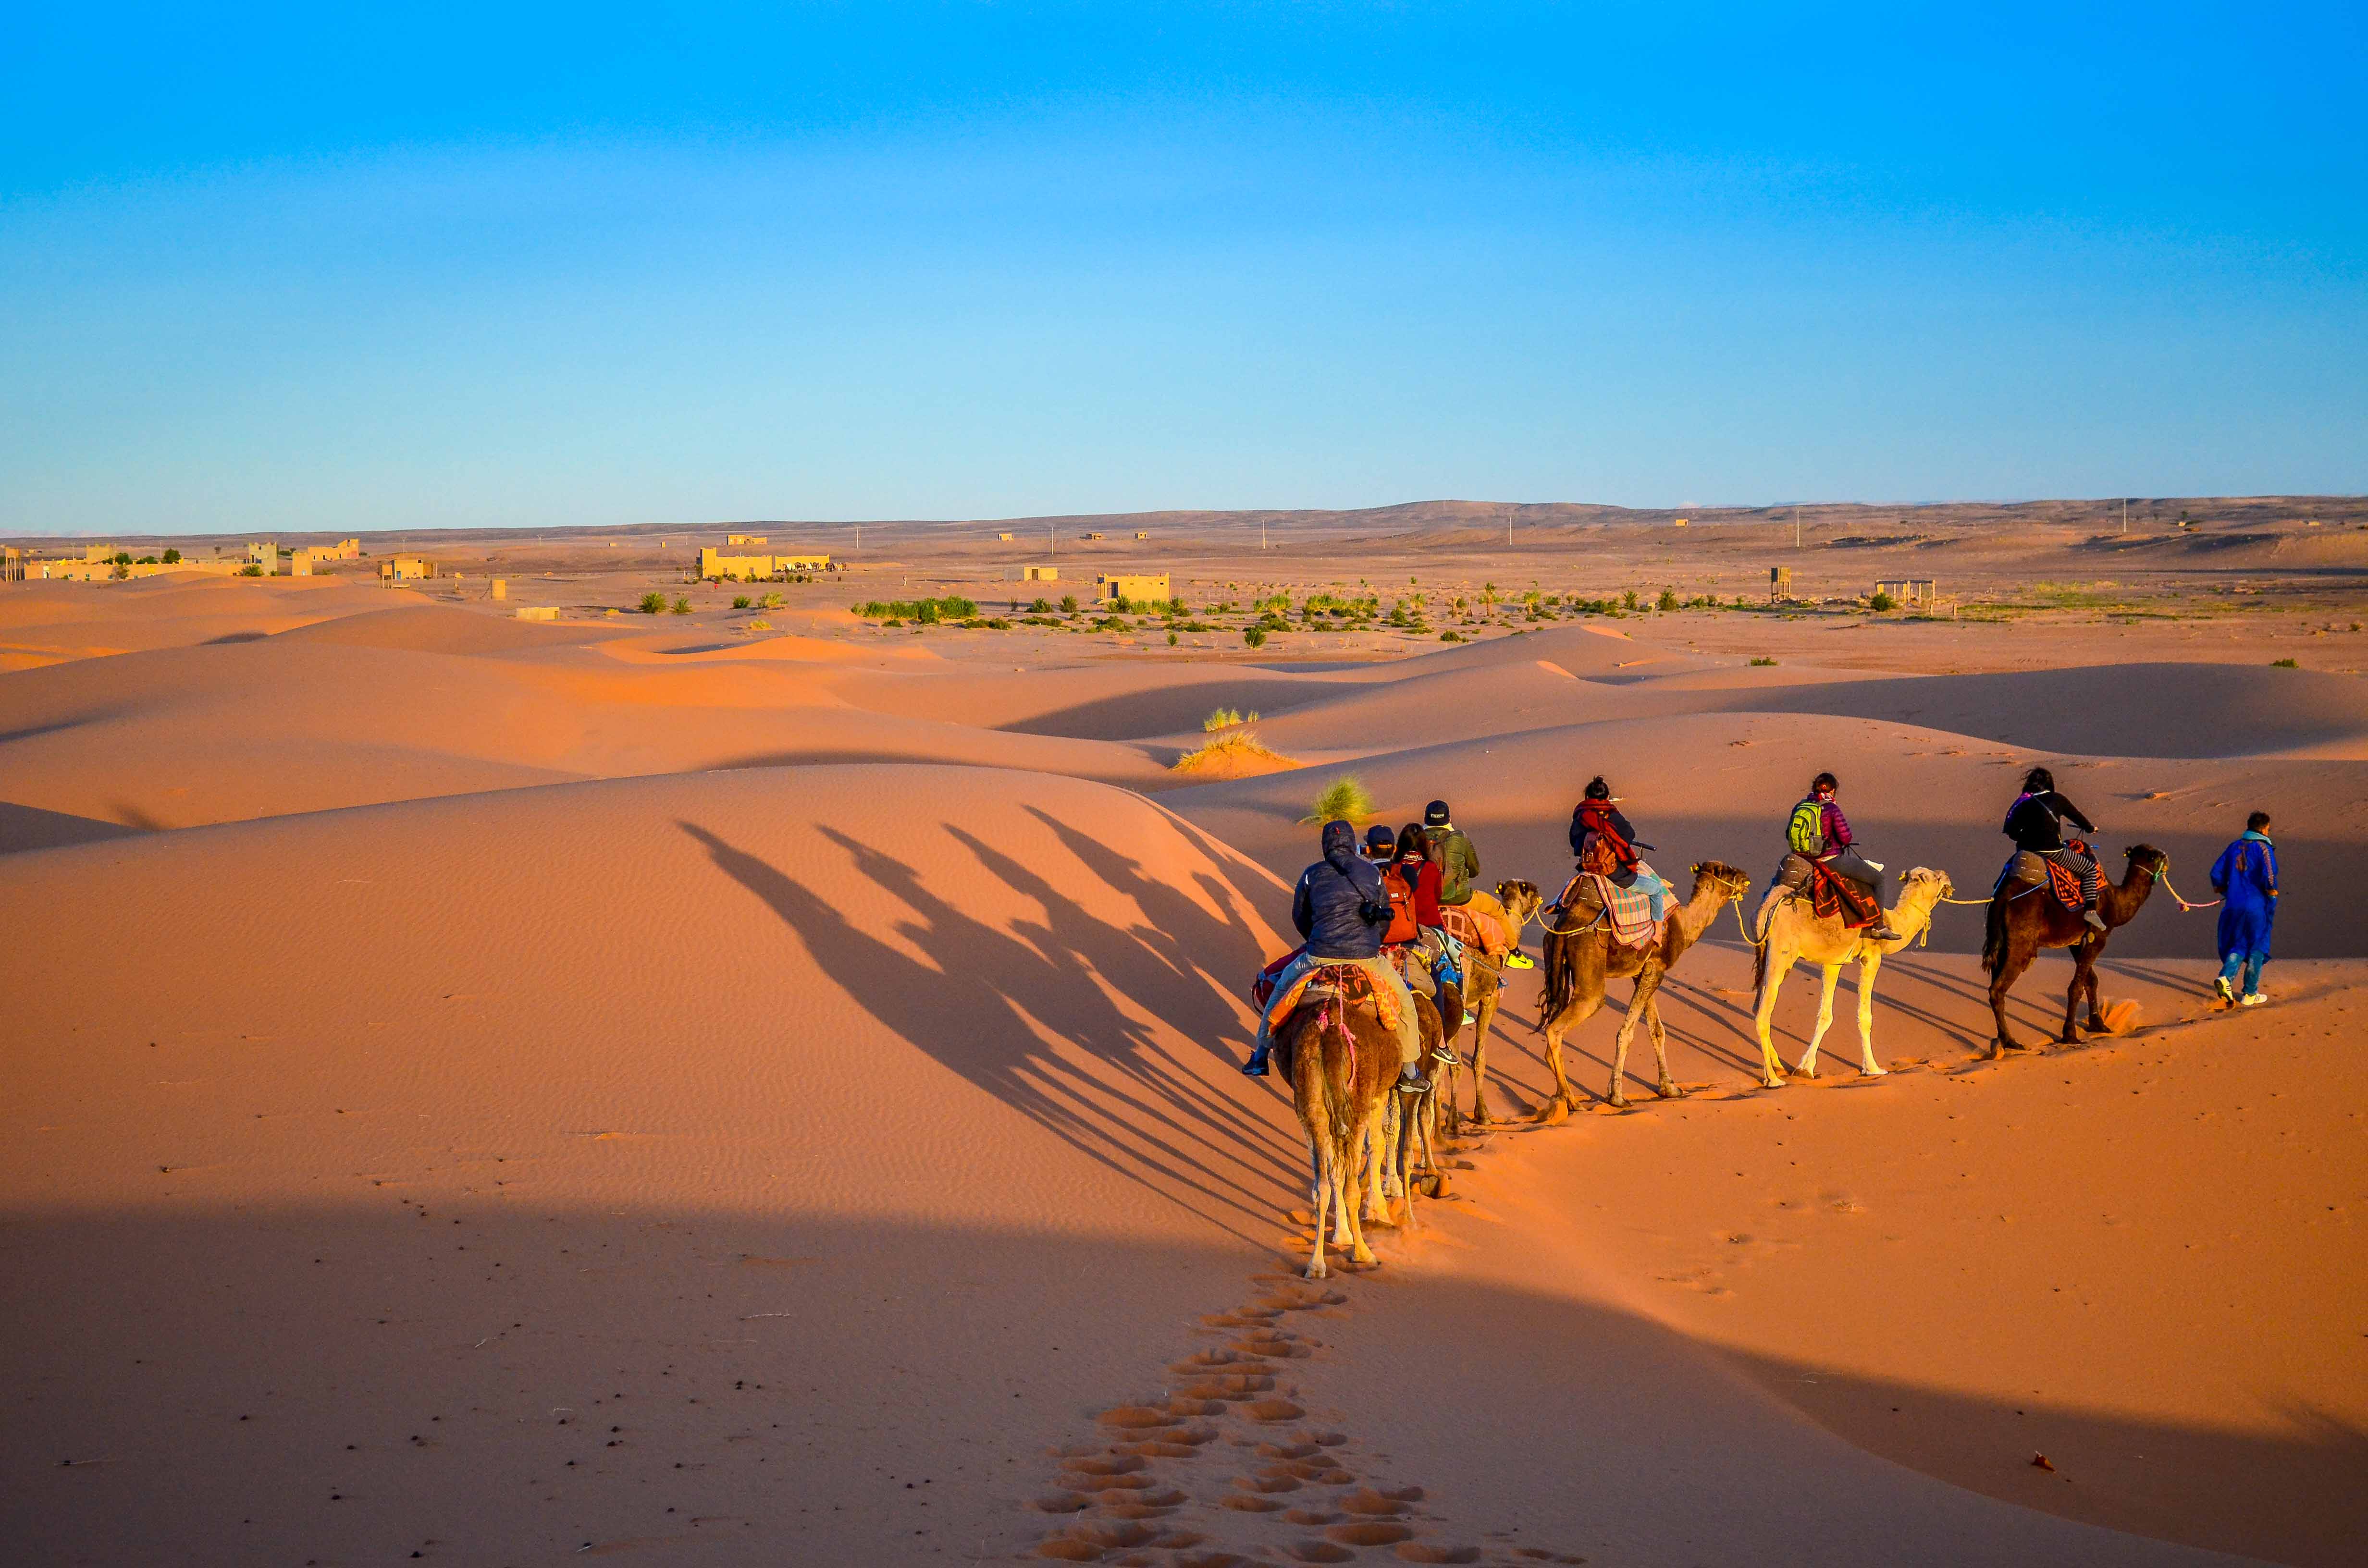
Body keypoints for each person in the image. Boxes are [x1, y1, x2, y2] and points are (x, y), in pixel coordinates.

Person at [1243, 819, 1429, 1093]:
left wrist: (1318, 940)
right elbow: (1383, 918)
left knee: (1280, 992)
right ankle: (1410, 1072)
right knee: (1405, 1003)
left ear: (1325, 845)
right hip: (1366, 957)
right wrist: (1369, 942)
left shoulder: (1311, 875)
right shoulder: (1371, 874)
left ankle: (1260, 1056)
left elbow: (1300, 917)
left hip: (1319, 955)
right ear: (1352, 843)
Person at [1787, 772, 1900, 941]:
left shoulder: (1801, 806)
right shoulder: (1832, 808)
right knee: (1878, 879)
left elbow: (1788, 833)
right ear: (1833, 791)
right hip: (1830, 859)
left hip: (1804, 859)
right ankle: (1877, 927)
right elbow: (1846, 838)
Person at [2002, 766, 2103, 933]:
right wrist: (2090, 829)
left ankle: (1996, 893)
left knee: (2007, 872)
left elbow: (2012, 832)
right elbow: (2079, 819)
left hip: (2025, 851)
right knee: (2089, 869)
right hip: (2053, 852)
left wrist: (2027, 838)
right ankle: (2091, 911)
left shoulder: (2022, 803)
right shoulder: (2058, 799)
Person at [1569, 776, 1668, 923]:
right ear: (1608, 797)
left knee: (1567, 895)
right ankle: (1659, 933)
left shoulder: (1581, 816)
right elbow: (1628, 835)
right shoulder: (1612, 815)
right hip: (1614, 872)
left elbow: (1575, 843)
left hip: (1586, 867)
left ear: (1587, 797)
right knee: (1657, 889)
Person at [2209, 811, 2279, 1006]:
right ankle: (2250, 993)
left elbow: (2216, 871)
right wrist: (2272, 891)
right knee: (2258, 946)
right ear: (2265, 828)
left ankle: (2226, 978)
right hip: (2256, 905)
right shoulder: (2263, 848)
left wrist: (2222, 887)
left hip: (2233, 905)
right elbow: (2270, 874)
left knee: (2239, 944)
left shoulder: (2234, 847)